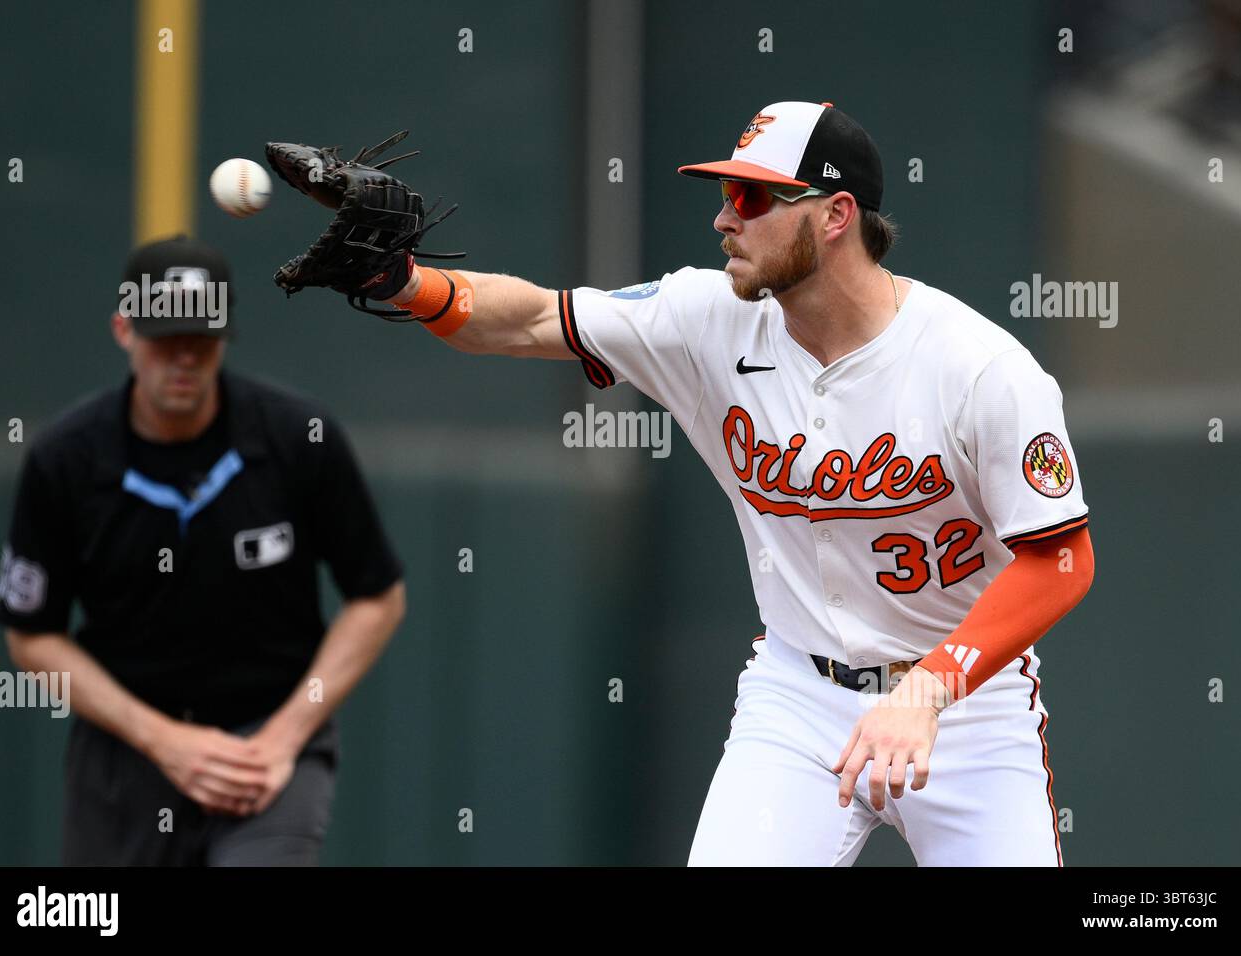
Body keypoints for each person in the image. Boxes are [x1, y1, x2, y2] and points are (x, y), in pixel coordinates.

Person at [281, 100, 1095, 866]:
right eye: (724, 194)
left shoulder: (979, 369)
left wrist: (930, 689)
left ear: (836, 215)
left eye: (751, 196)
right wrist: (403, 283)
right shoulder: (704, 319)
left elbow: (1062, 560)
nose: (724, 218)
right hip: (798, 695)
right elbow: (529, 318)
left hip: (965, 704)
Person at [0, 235, 405, 866]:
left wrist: (283, 739)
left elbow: (377, 596)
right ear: (123, 329)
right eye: (165, 337)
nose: (185, 357)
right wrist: (165, 742)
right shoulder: (66, 460)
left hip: (264, 748)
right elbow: (31, 635)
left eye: (203, 338)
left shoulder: (299, 437)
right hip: (125, 753)